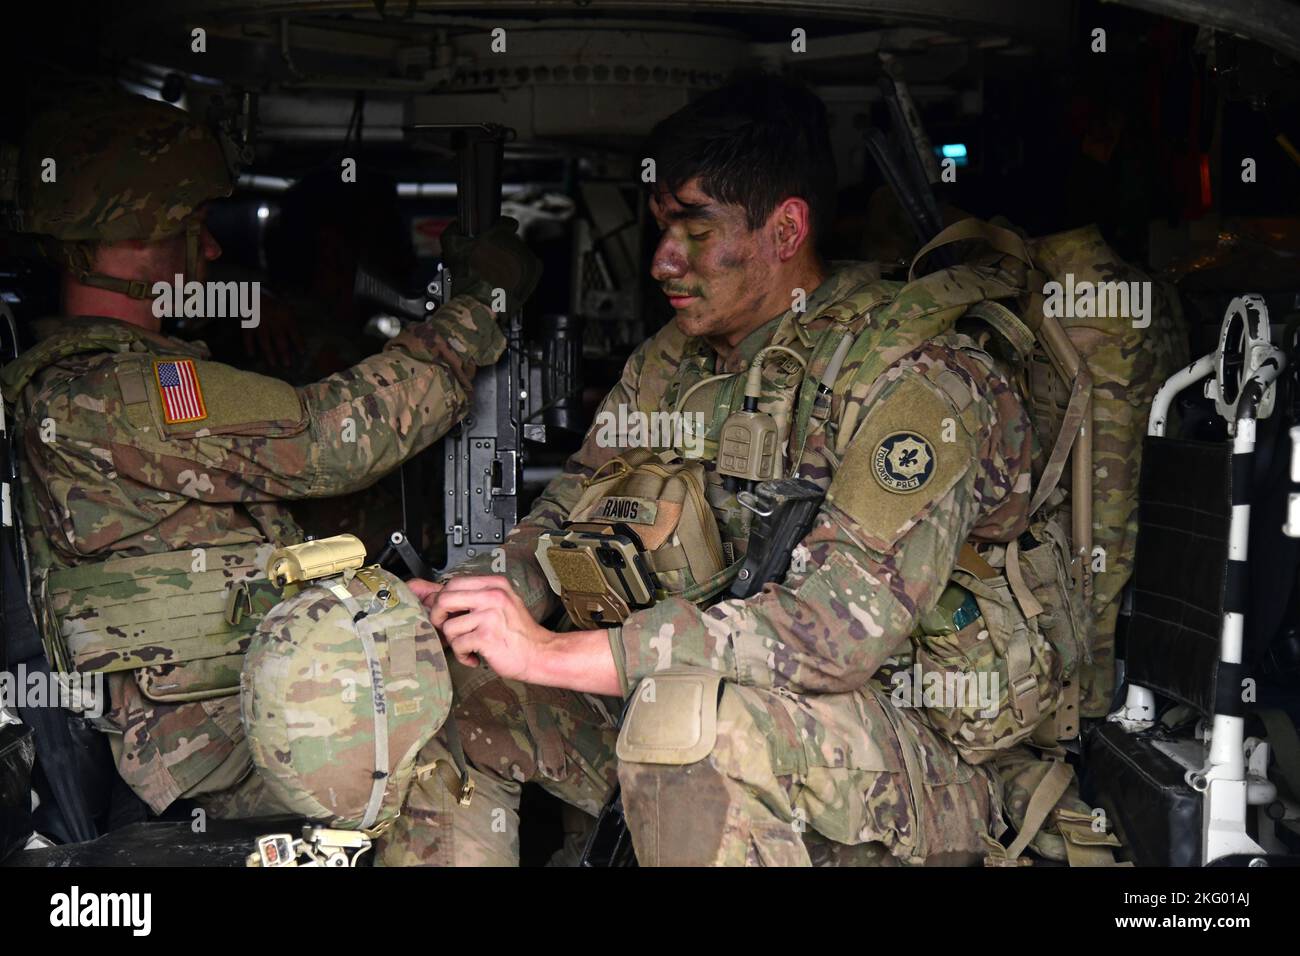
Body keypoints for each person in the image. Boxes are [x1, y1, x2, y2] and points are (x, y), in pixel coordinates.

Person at [380, 73, 1034, 866]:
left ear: (786, 229)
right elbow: (565, 519)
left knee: (693, 727)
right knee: (454, 690)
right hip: (704, 702)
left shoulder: (916, 378)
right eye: (661, 226)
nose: (661, 261)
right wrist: (485, 603)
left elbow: (837, 634)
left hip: (917, 757)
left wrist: (553, 656)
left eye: (694, 227)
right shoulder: (673, 364)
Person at [1, 89, 537, 820]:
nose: (213, 247)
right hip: (208, 739)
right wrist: (477, 306)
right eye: (193, 224)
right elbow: (333, 440)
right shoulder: (125, 392)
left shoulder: (78, 379)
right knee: (460, 755)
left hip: (204, 710)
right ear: (138, 231)